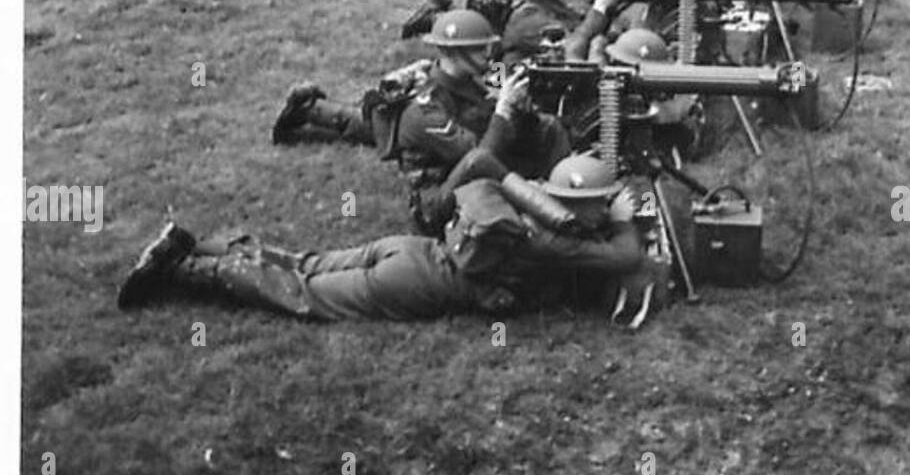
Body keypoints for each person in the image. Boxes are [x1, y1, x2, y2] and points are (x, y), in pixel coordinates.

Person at [116, 154, 662, 327]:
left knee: (307, 262)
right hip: (420, 281)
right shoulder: (554, 237)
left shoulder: (529, 197)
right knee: (304, 294)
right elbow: (625, 255)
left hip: (411, 249)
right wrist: (620, 220)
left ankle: (203, 245)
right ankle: (185, 271)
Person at [271, 8, 569, 188]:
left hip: (450, 132)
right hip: (446, 163)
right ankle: (309, 108)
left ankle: (312, 108)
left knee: (373, 127)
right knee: (376, 128)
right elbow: (478, 158)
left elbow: (499, 87)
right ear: (455, 52)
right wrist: (504, 109)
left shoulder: (474, 74)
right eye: (480, 49)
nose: (489, 56)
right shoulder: (425, 106)